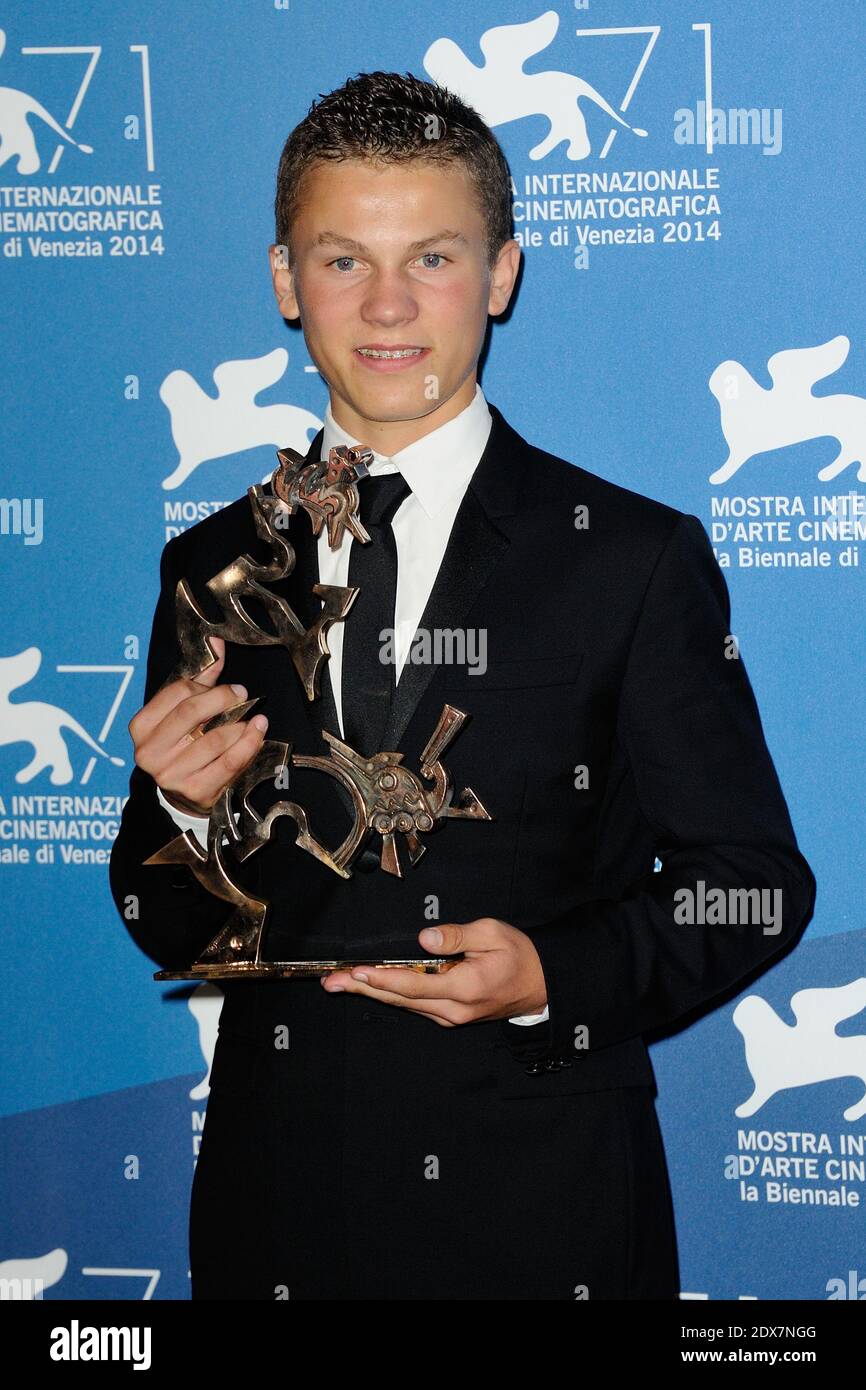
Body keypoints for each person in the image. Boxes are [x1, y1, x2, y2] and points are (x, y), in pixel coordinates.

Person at [109, 70, 815, 1300]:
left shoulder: (630, 559)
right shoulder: (211, 564)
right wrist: (175, 814)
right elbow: (169, 920)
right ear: (284, 281)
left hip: (543, 1219)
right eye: (341, 261)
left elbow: (749, 888)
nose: (387, 304)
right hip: (277, 1216)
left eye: (432, 257)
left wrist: (558, 977)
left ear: (500, 275)